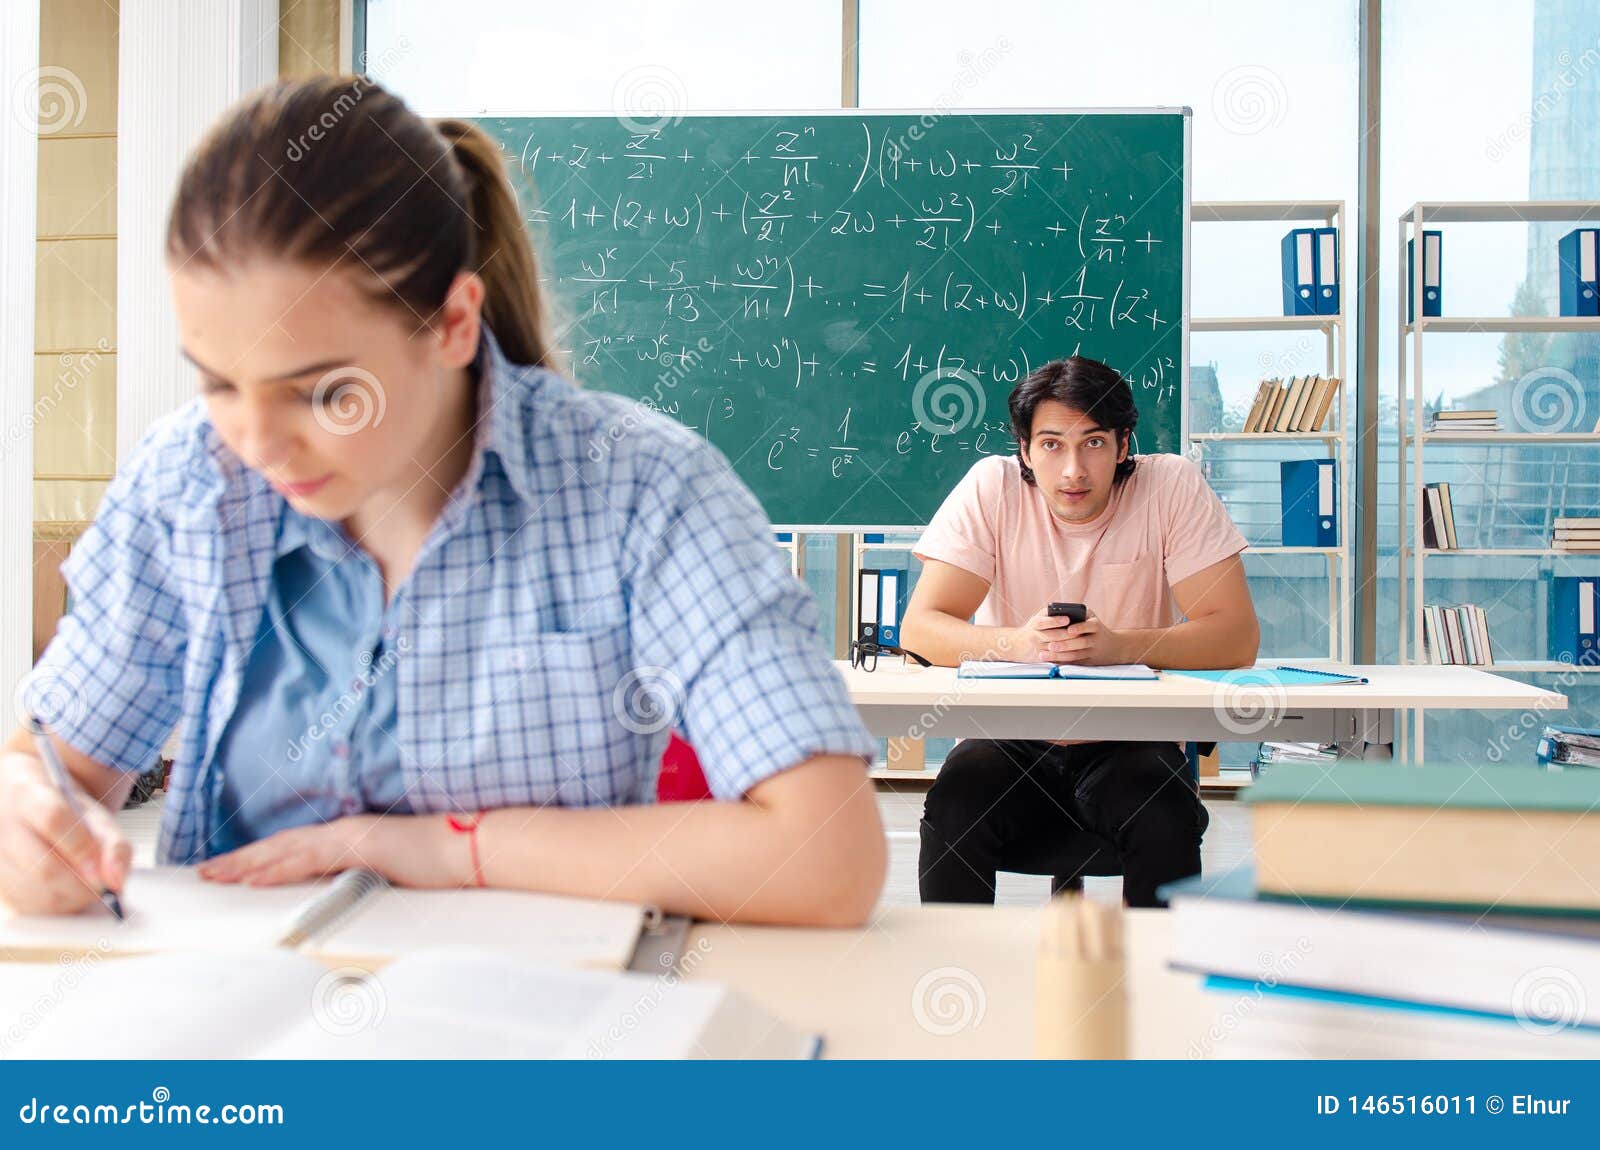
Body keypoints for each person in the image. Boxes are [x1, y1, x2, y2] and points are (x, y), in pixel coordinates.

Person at [0, 76, 885, 926]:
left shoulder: (643, 488)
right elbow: (52, 768)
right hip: (237, 1009)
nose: (257, 444)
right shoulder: (184, 483)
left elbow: (824, 856)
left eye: (323, 392)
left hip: (531, 1007)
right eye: (220, 383)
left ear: (454, 323)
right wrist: (29, 819)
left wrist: (447, 848)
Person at [902, 356, 1259, 907]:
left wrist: (1121, 647)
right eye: (1051, 445)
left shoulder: (1169, 484)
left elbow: (1236, 637)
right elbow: (921, 629)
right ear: (1025, 451)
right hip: (1009, 732)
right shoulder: (992, 486)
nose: (1073, 470)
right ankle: (956, 960)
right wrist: (1018, 645)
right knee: (956, 805)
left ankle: (1157, 962)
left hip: (1130, 735)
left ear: (1122, 445)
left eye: (1093, 443)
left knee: (1162, 814)